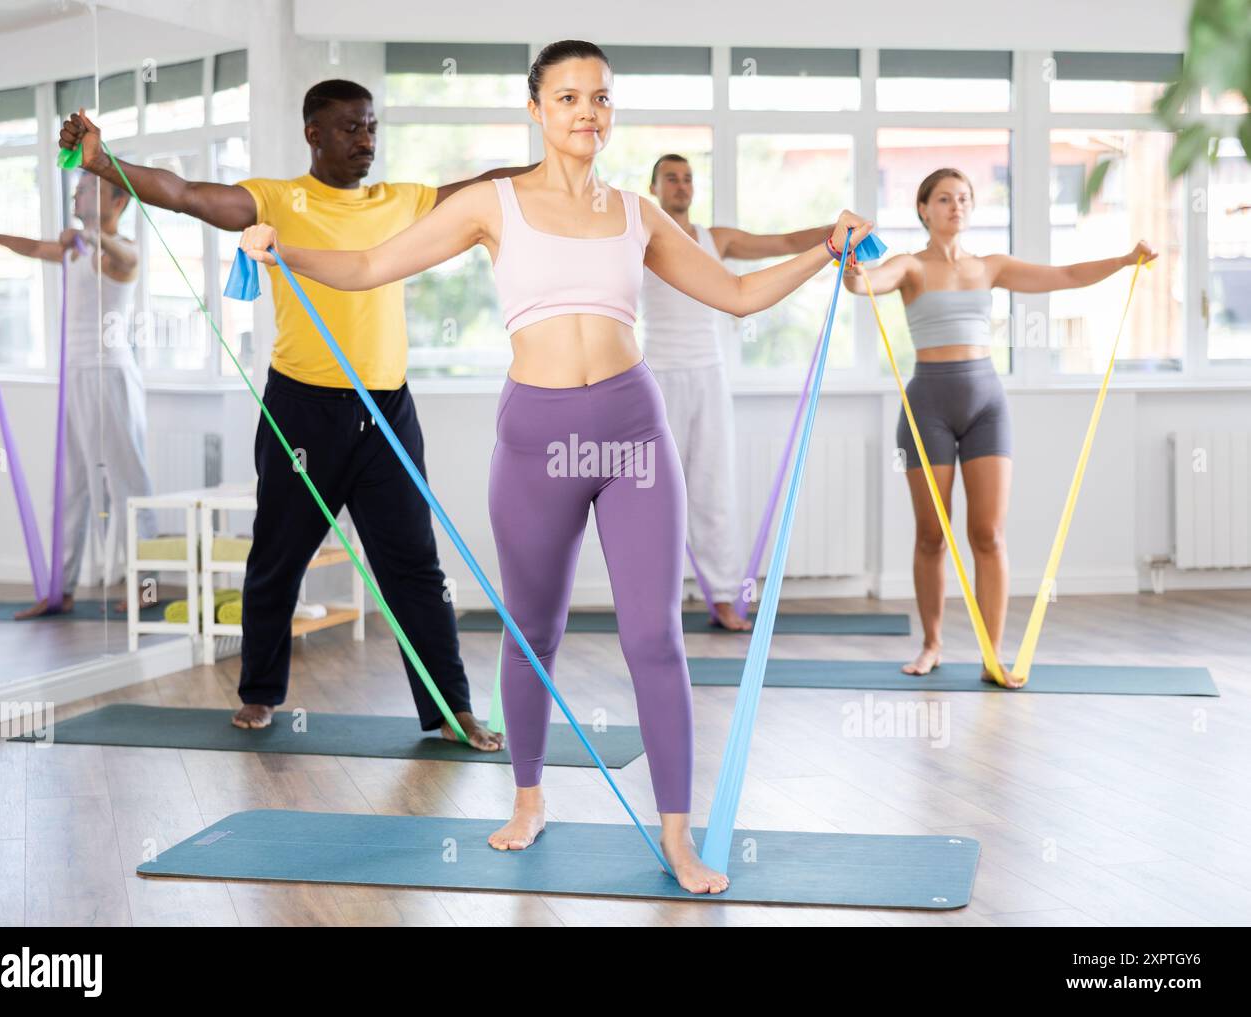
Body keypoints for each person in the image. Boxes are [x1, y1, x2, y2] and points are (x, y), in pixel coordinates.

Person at [238, 41, 873, 893]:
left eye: (600, 98)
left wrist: (824, 250)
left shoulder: (640, 211)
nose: (586, 112)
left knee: (655, 637)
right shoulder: (493, 204)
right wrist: (285, 251)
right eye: (568, 97)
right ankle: (529, 797)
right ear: (535, 110)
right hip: (537, 439)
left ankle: (679, 837)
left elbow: (736, 294)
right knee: (533, 633)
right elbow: (368, 266)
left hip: (632, 435)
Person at [59, 79, 537, 747]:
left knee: (415, 566)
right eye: (349, 128)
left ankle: (450, 708)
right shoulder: (278, 200)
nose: (365, 140)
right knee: (278, 558)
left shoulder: (402, 201)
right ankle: (260, 693)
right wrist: (105, 163)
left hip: (386, 411)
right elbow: (187, 194)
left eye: (371, 127)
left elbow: (486, 185)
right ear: (313, 133)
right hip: (302, 412)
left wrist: (558, 163)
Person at [843, 167, 1156, 688]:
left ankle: (993, 653)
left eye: (963, 198)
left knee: (987, 534)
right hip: (927, 407)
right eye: (944, 199)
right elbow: (865, 285)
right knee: (931, 535)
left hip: (987, 403)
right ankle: (932, 645)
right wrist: (851, 268)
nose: (956, 207)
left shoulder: (990, 267)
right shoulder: (909, 266)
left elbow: (1066, 276)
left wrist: (1126, 260)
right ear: (923, 209)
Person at [641, 153, 842, 631]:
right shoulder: (641, 233)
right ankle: (652, 603)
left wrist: (837, 233)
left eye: (688, 178)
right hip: (657, 376)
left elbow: (787, 242)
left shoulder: (718, 239)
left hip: (708, 374)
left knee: (712, 487)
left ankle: (724, 598)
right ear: (654, 188)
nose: (681, 185)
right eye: (671, 178)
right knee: (652, 494)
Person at [0, 171, 156, 619]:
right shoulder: (74, 251)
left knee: (128, 484)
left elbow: (124, 253)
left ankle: (145, 587)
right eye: (78, 187)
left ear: (118, 201)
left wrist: (91, 236)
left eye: (89, 187)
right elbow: (30, 246)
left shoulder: (118, 253)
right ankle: (58, 590)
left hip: (111, 375)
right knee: (71, 487)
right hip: (75, 377)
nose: (78, 192)